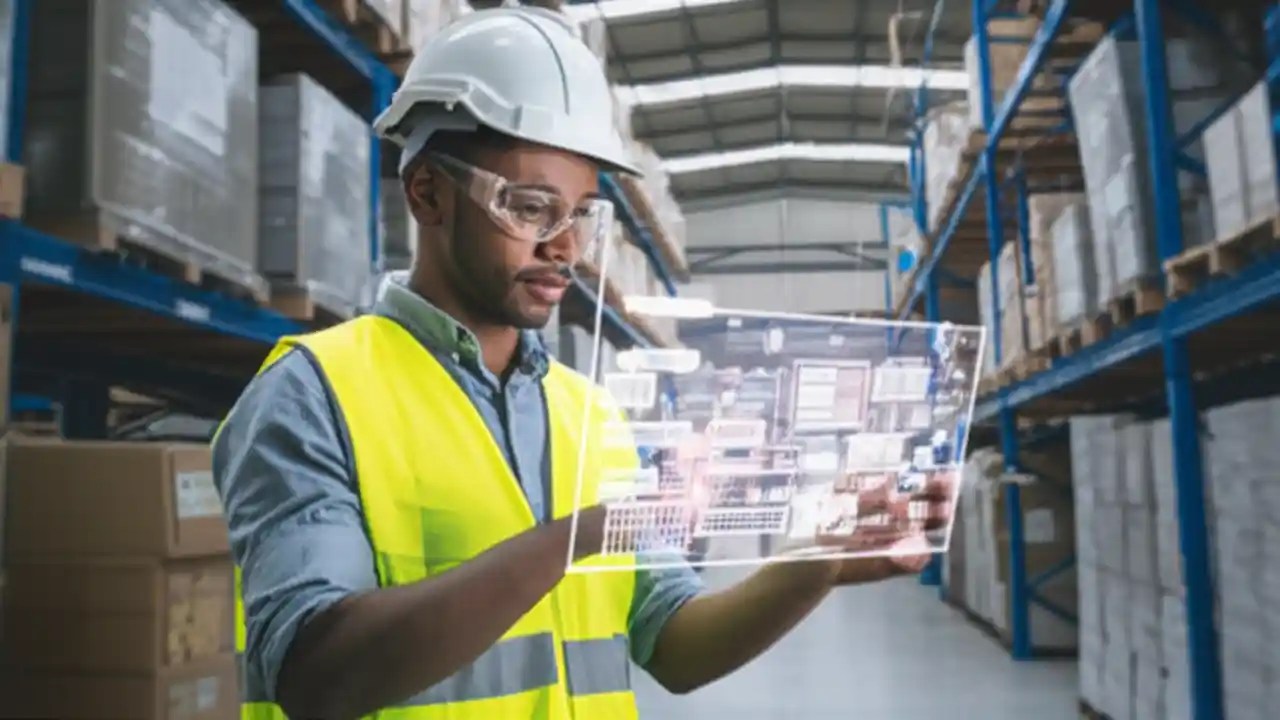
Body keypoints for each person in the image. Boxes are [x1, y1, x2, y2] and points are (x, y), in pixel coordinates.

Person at [212, 7, 942, 720]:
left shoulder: (587, 412)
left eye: (583, 215)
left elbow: (674, 646)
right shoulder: (314, 394)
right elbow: (316, 678)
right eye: (530, 208)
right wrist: (576, 538)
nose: (565, 247)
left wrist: (809, 565)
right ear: (428, 193)